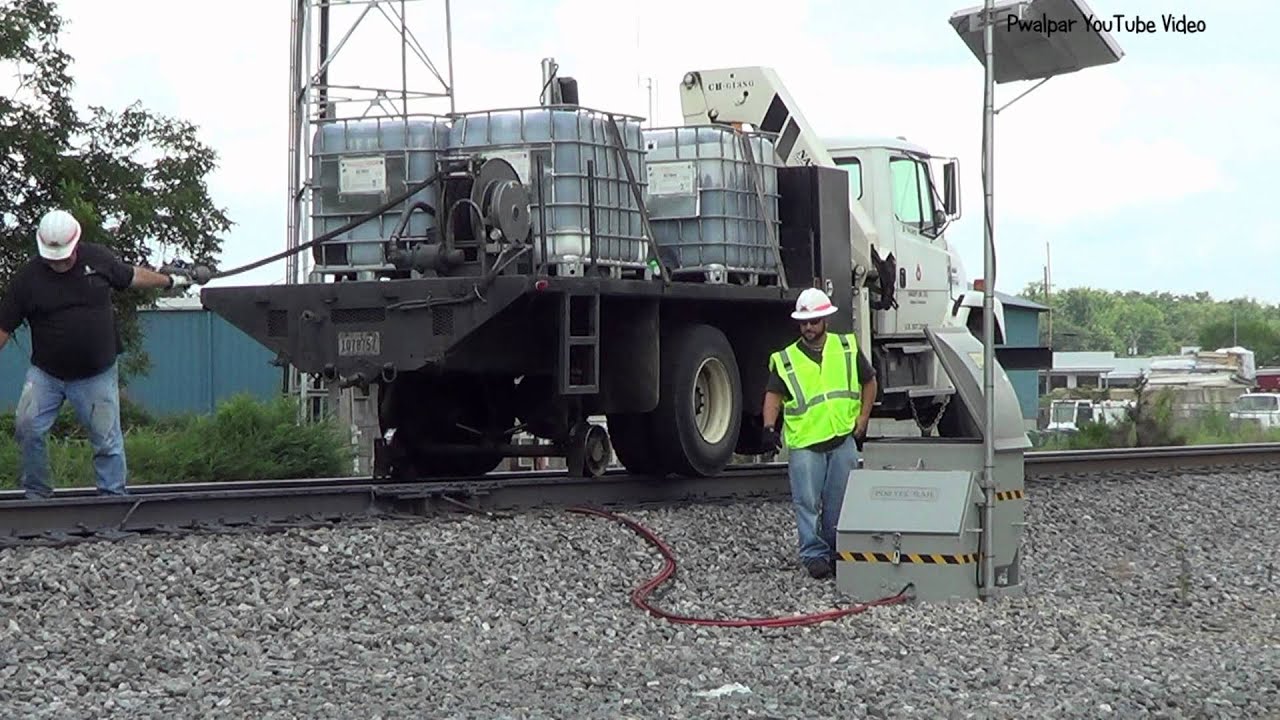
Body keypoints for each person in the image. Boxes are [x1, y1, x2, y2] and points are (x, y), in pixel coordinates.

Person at [0, 209, 196, 499]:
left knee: (106, 441)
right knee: (28, 427)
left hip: (96, 374)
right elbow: (3, 328)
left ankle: (111, 500)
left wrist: (169, 281)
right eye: (53, 258)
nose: (60, 262)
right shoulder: (27, 281)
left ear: (76, 243)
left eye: (65, 255)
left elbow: (131, 277)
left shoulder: (98, 259)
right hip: (47, 374)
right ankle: (36, 497)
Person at [762, 288, 878, 579]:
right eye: (804, 323)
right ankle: (814, 555)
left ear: (825, 319)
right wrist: (768, 427)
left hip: (841, 440)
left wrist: (863, 420)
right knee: (807, 502)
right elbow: (773, 395)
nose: (808, 328)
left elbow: (869, 382)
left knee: (840, 501)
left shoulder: (847, 348)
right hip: (806, 443)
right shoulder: (787, 359)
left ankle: (838, 550)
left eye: (813, 322)